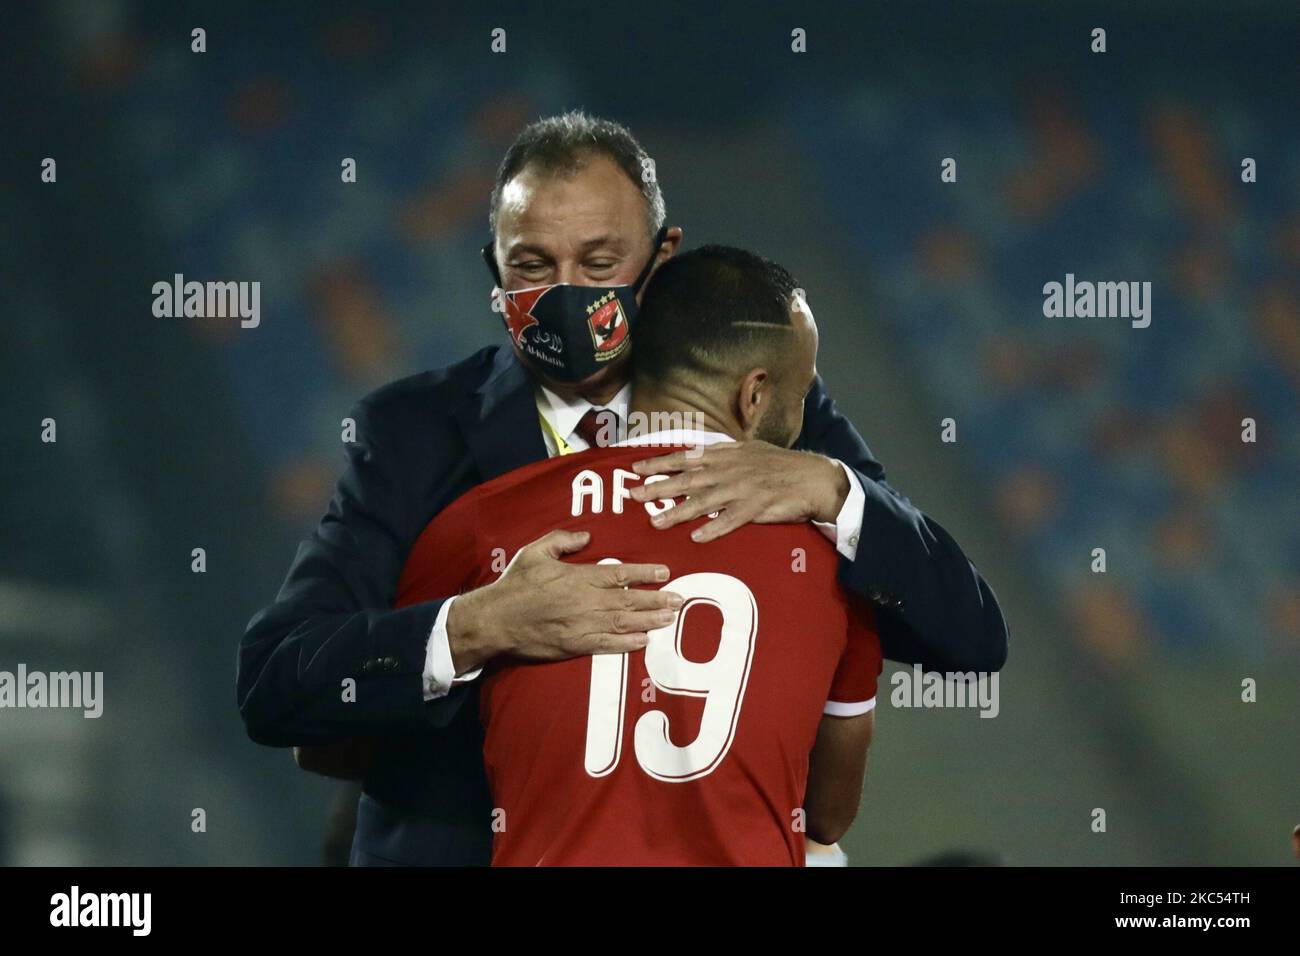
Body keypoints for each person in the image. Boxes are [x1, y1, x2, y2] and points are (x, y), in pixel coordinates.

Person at [237, 111, 1008, 865]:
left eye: (600, 265)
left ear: (663, 259)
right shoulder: (413, 432)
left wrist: (835, 490)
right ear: (494, 273)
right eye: (533, 268)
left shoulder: (769, 404)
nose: (568, 295)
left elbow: (969, 634)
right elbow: (277, 684)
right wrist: (478, 625)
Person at [394, 246, 881, 865]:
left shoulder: (485, 519)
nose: (805, 411)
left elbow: (360, 735)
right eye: (801, 392)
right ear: (753, 396)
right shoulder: (839, 555)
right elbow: (829, 815)